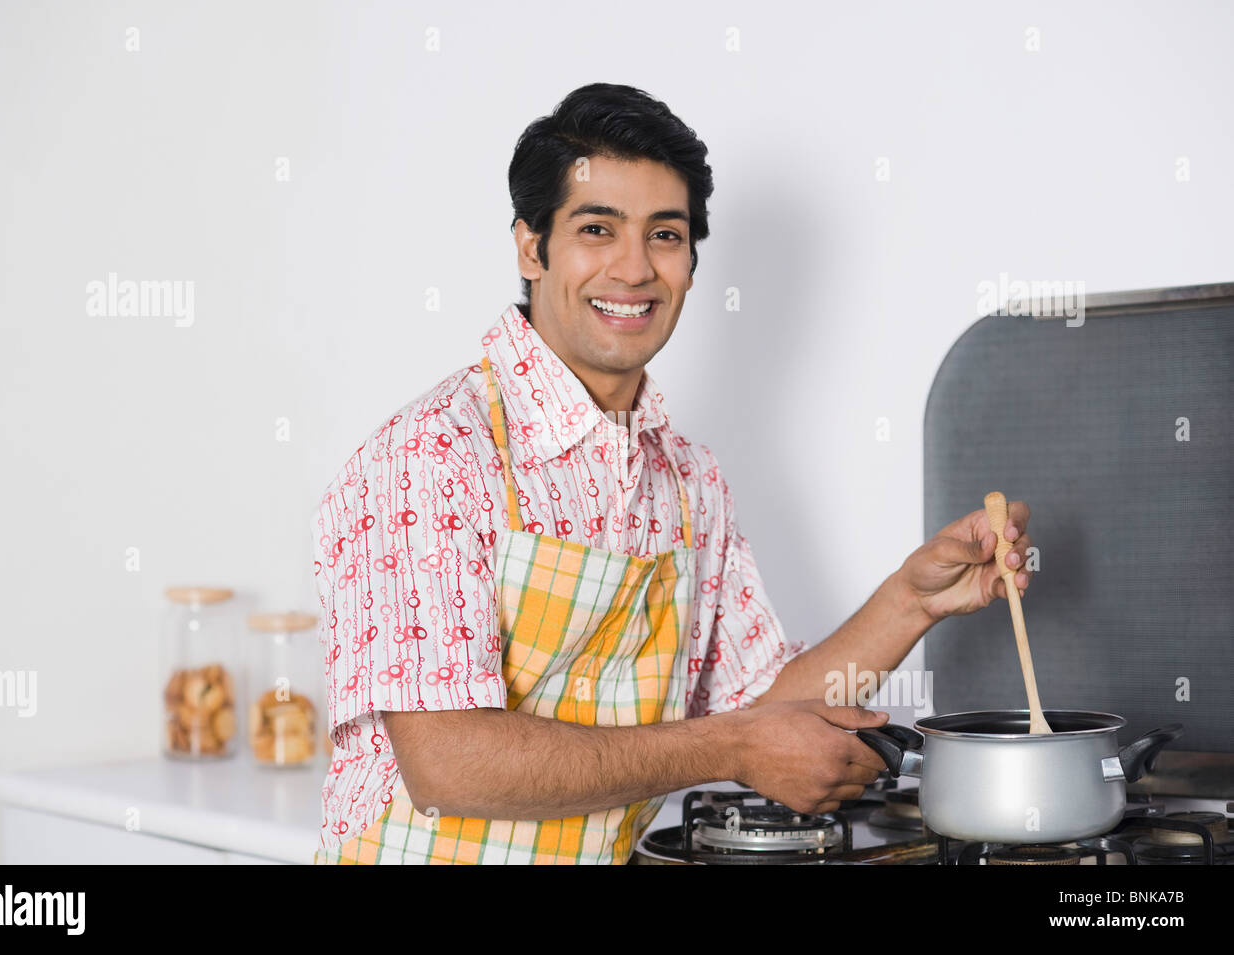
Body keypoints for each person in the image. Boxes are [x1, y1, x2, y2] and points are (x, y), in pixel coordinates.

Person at [309, 83, 1034, 865]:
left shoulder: (687, 481)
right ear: (531, 245)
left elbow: (763, 709)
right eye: (597, 228)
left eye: (664, 234)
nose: (633, 268)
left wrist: (911, 599)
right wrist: (733, 746)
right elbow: (448, 761)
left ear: (690, 261)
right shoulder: (433, 455)